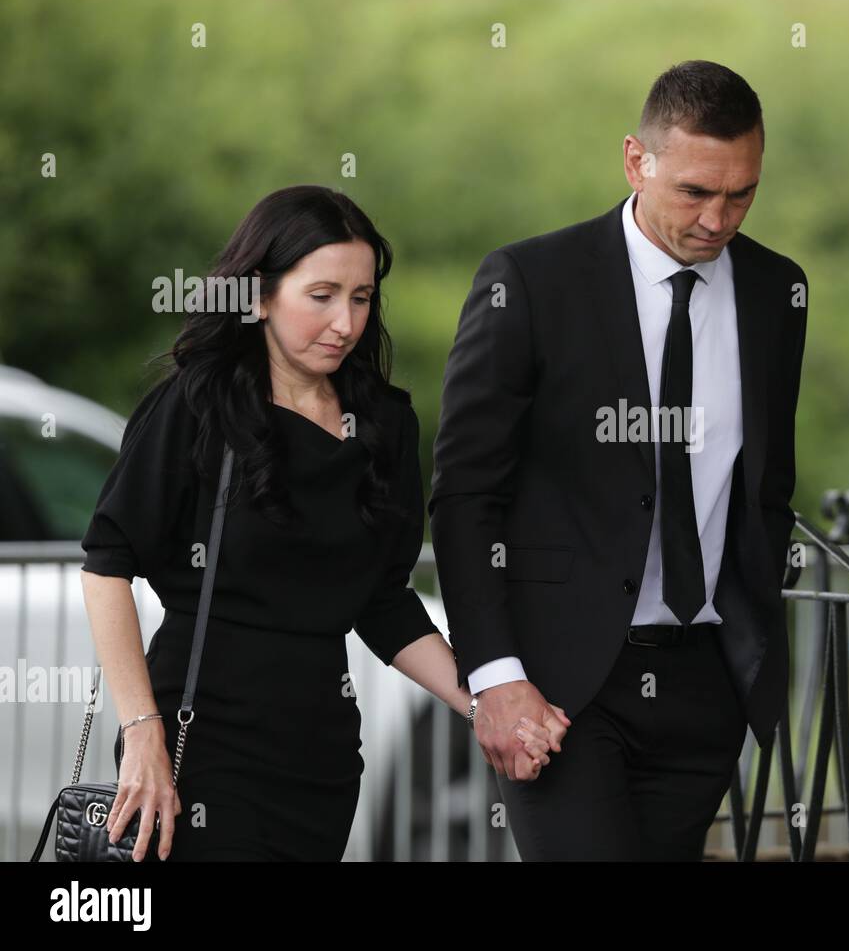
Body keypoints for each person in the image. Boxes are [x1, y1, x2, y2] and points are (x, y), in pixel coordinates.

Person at [81, 186, 567, 861]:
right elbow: (107, 564)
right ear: (257, 296)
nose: (345, 321)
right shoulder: (197, 406)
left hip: (321, 757)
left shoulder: (384, 423)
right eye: (322, 295)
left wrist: (490, 703)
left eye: (362, 298)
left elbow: (385, 604)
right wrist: (142, 733)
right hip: (200, 747)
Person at [430, 61, 809, 860]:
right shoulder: (531, 283)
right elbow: (466, 495)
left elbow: (767, 486)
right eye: (696, 192)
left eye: (742, 193)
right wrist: (495, 678)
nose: (719, 218)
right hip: (562, 687)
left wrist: (749, 657)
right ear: (637, 161)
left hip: (706, 685)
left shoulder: (778, 293)